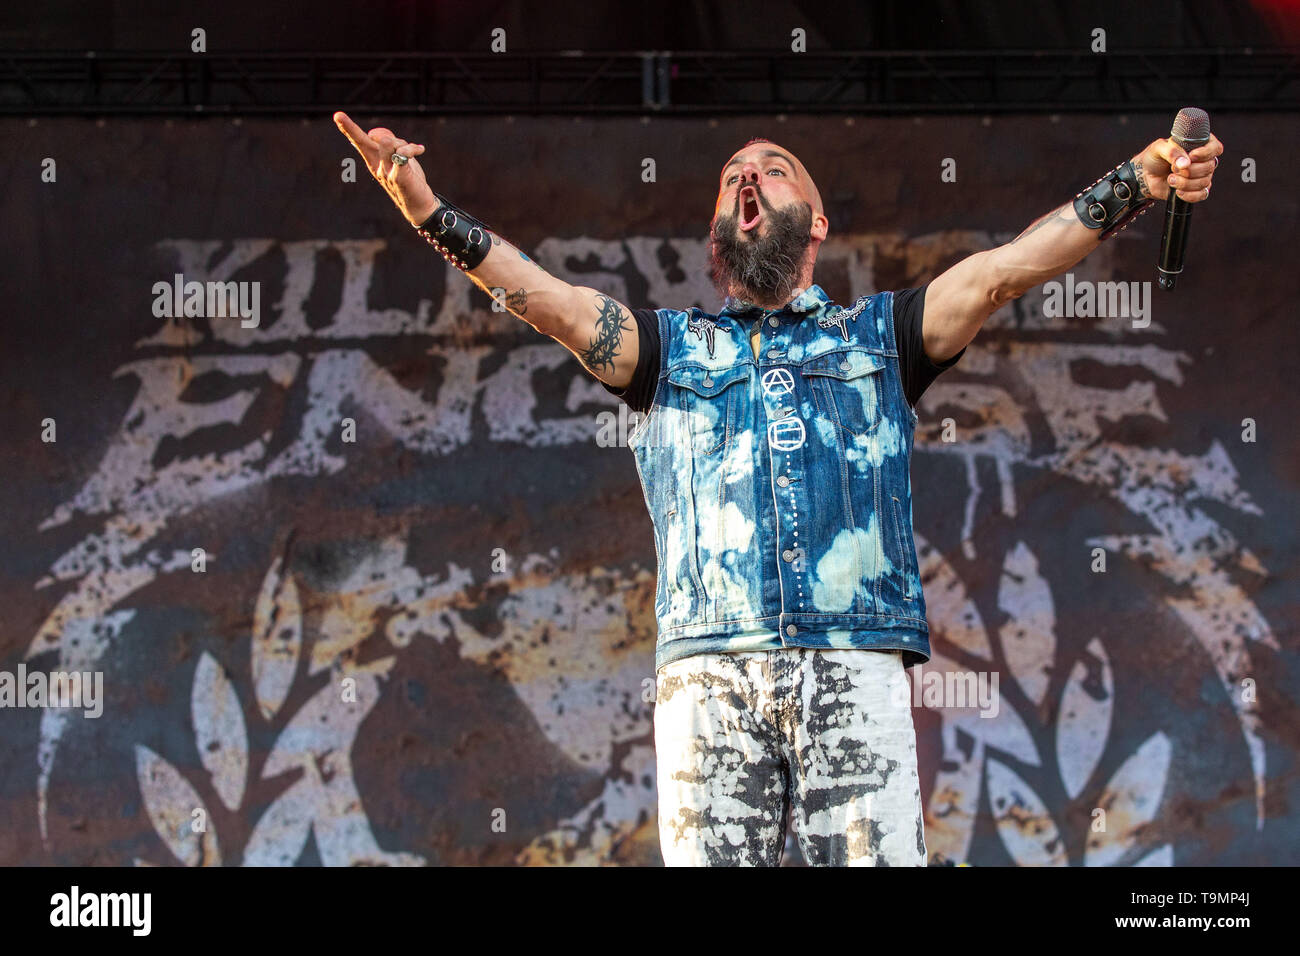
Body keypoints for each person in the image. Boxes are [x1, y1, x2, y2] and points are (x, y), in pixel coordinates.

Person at [333, 110, 1223, 866]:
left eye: (773, 169)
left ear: (818, 219)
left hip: (854, 660)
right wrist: (427, 211)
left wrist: (1141, 182)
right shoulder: (672, 351)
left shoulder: (882, 338)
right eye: (731, 177)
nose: (748, 179)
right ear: (720, 226)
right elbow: (545, 299)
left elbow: (1003, 270)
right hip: (709, 673)